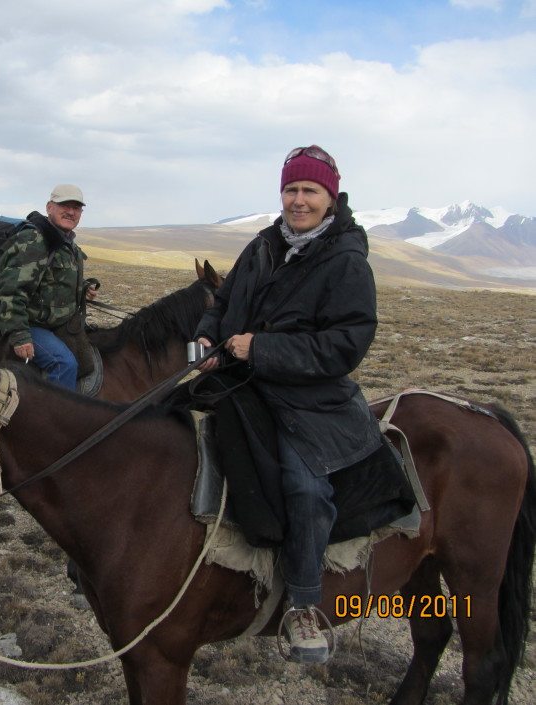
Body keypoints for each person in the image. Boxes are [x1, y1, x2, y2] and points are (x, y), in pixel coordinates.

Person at [194, 145, 383, 664]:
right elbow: (224, 303)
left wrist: (263, 348)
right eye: (291, 190)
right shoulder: (263, 244)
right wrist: (207, 342)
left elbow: (347, 344)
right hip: (239, 378)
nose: (299, 200)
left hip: (309, 399)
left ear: (330, 197)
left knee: (305, 486)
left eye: (310, 191)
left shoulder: (346, 261)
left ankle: (302, 603)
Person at [0, 184, 98, 391]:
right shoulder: (34, 240)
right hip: (31, 324)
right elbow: (9, 293)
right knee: (64, 364)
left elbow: (53, 280)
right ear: (49, 207)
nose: (71, 211)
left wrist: (82, 289)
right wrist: (20, 336)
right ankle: (56, 419)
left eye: (76, 208)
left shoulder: (64, 241)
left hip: (55, 323)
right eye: (64, 205)